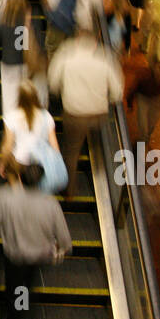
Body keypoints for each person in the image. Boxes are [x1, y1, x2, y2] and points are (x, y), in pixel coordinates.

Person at [0, 157, 72, 319]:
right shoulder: (51, 204)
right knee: (25, 285)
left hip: (16, 258)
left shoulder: (6, 198)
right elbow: (66, 243)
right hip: (38, 258)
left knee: (16, 293)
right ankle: (22, 303)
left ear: (20, 178)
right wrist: (59, 251)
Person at [49, 25, 123, 198]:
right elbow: (117, 93)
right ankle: (104, 184)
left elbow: (53, 84)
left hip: (75, 115)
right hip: (98, 115)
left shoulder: (65, 56)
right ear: (96, 42)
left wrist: (64, 91)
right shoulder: (105, 59)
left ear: (76, 41)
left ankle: (69, 191)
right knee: (97, 144)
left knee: (72, 151)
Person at [0, 0, 47, 114]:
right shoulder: (31, 19)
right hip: (28, 64)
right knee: (31, 93)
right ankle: (33, 119)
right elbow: (39, 41)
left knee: (10, 98)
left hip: (9, 63)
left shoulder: (3, 19)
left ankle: (11, 125)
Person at [1, 79, 58, 171]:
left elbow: (8, 147)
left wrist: (2, 163)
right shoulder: (46, 116)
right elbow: (54, 145)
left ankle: (16, 184)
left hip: (20, 160)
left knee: (11, 171)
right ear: (36, 96)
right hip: (41, 161)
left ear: (19, 98)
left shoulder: (11, 116)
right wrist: (55, 164)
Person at [128, 56, 160, 145]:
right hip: (143, 98)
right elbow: (133, 89)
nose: (159, 77)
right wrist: (130, 103)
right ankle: (142, 139)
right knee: (142, 121)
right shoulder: (144, 75)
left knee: (152, 121)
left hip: (156, 99)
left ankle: (146, 137)